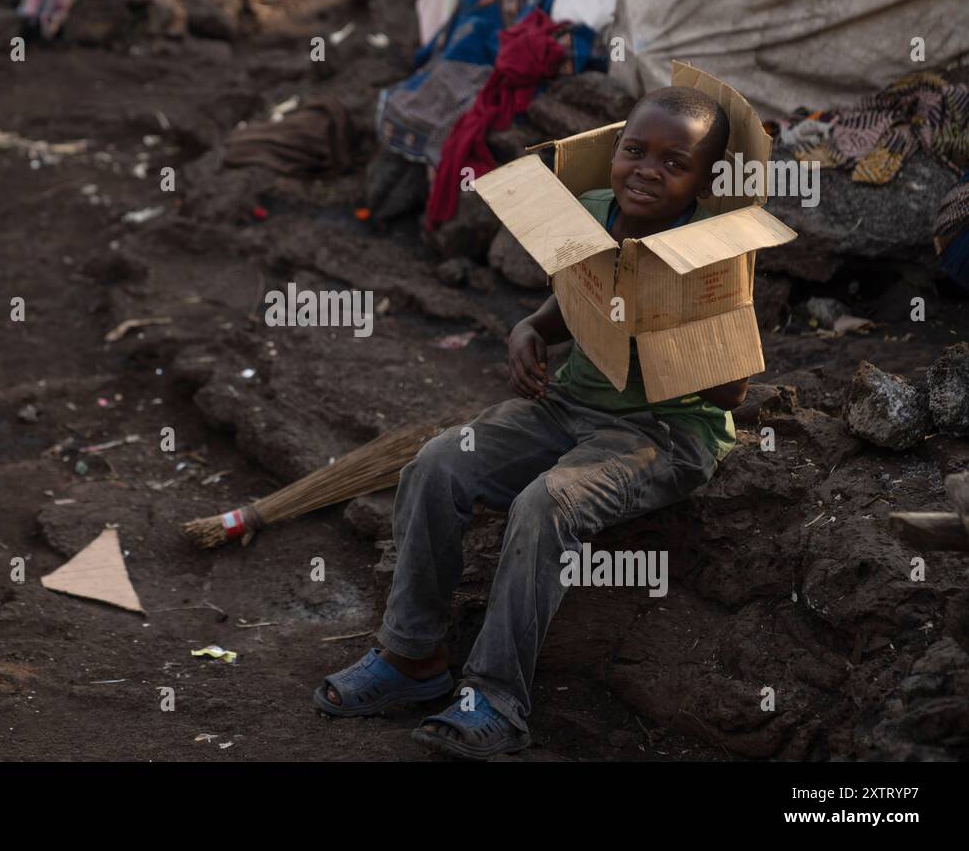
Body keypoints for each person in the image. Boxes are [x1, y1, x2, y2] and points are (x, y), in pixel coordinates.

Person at [314, 86, 746, 760]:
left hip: (664, 432)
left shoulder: (713, 253)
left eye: (673, 162)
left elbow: (732, 392)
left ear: (707, 178)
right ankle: (411, 660)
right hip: (568, 405)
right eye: (635, 151)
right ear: (615, 151)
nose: (646, 171)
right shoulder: (593, 213)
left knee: (546, 501)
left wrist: (660, 323)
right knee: (435, 465)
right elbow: (567, 305)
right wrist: (527, 330)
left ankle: (496, 699)